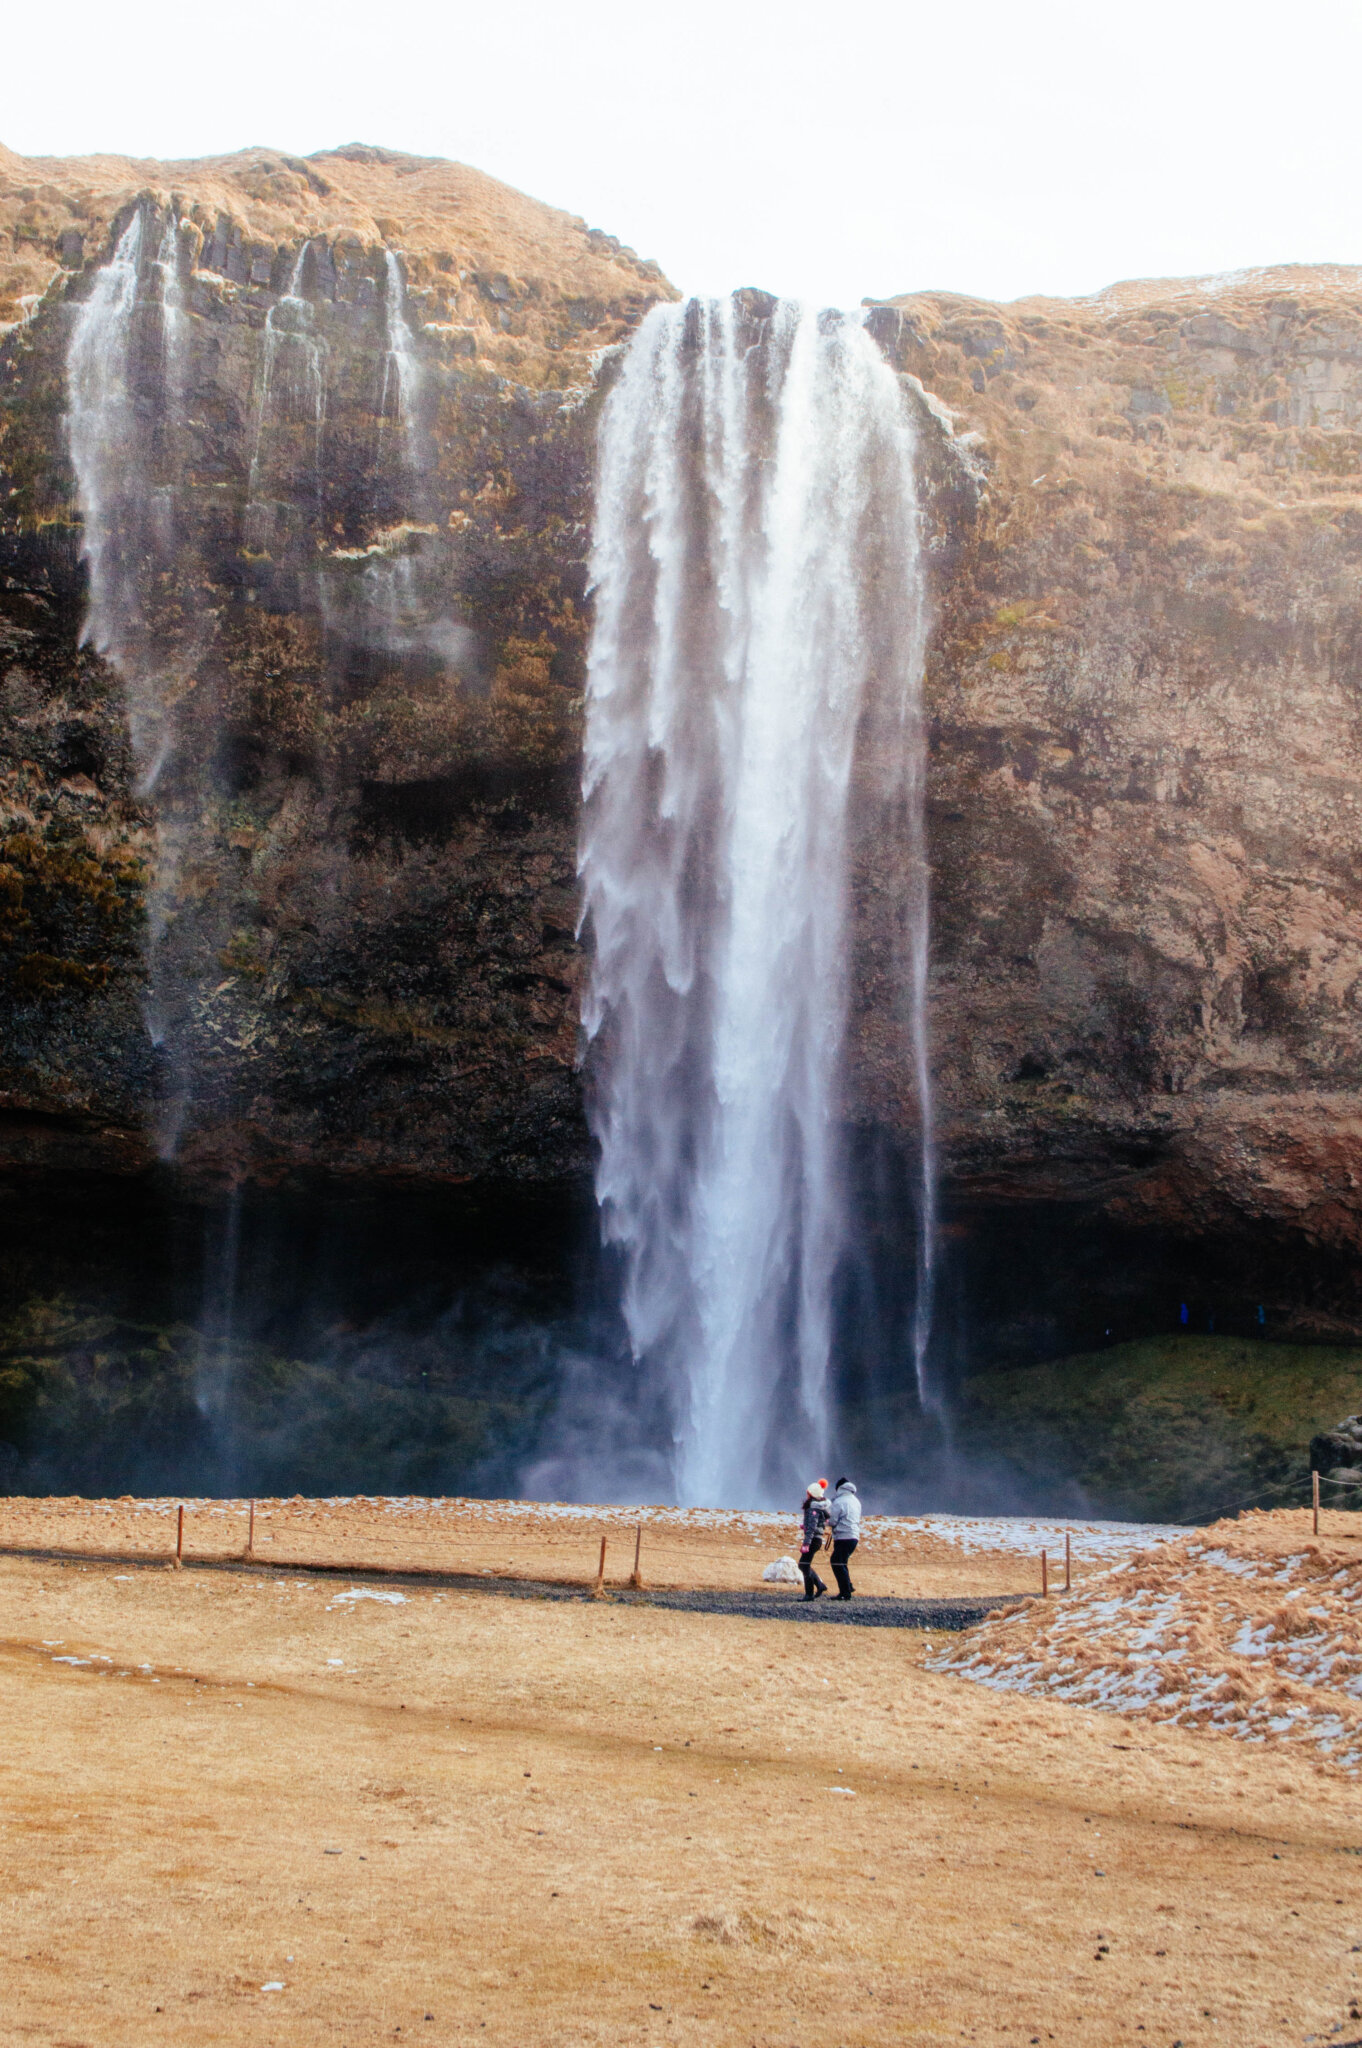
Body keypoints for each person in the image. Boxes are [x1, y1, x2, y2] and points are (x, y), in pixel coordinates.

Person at [827, 1475, 862, 1600]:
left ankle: (845, 1592)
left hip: (843, 1536)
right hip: (854, 1536)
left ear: (839, 1489)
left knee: (836, 1561)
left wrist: (825, 1519)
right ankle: (848, 1587)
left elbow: (832, 1521)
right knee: (842, 1562)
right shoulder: (855, 1500)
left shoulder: (840, 1501)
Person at [797, 1479, 830, 1600]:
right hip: (816, 1539)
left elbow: (812, 1526)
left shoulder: (813, 1507)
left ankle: (810, 1593)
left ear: (811, 1494)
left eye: (808, 1492)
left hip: (813, 1540)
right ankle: (819, 1586)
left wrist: (806, 1543)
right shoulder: (821, 1506)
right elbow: (822, 1521)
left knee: (803, 1565)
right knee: (804, 1564)